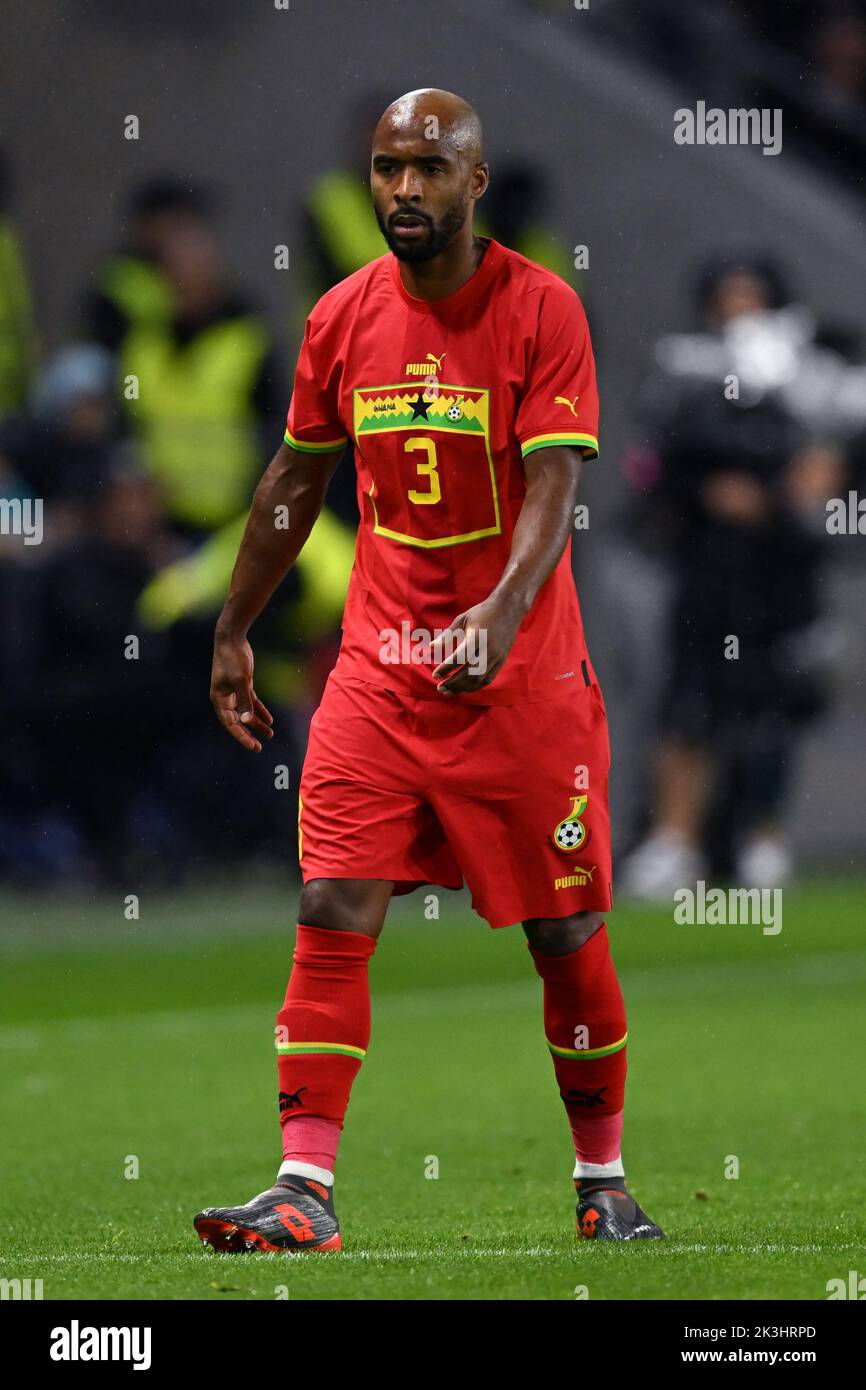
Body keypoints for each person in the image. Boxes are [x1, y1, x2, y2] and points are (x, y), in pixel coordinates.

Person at [194, 89, 664, 1251]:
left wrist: (504, 612)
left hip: (523, 678)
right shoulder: (342, 316)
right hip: (381, 669)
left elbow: (554, 481)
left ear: (474, 183)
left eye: (428, 169)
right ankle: (304, 1188)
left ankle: (600, 1180)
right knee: (330, 900)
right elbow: (293, 483)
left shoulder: (541, 308)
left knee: (563, 930)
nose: (403, 189)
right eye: (386, 168)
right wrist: (233, 627)